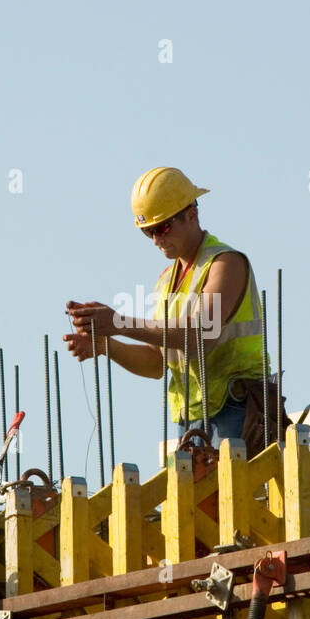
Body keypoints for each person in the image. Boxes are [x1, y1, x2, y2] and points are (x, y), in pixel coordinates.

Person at [64, 166, 284, 452]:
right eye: (148, 232)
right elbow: (158, 362)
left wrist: (118, 322)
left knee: (236, 495)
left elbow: (202, 335)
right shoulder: (167, 281)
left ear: (191, 214)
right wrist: (107, 345)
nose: (156, 239)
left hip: (238, 412)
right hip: (190, 422)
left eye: (163, 227)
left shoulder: (225, 263)